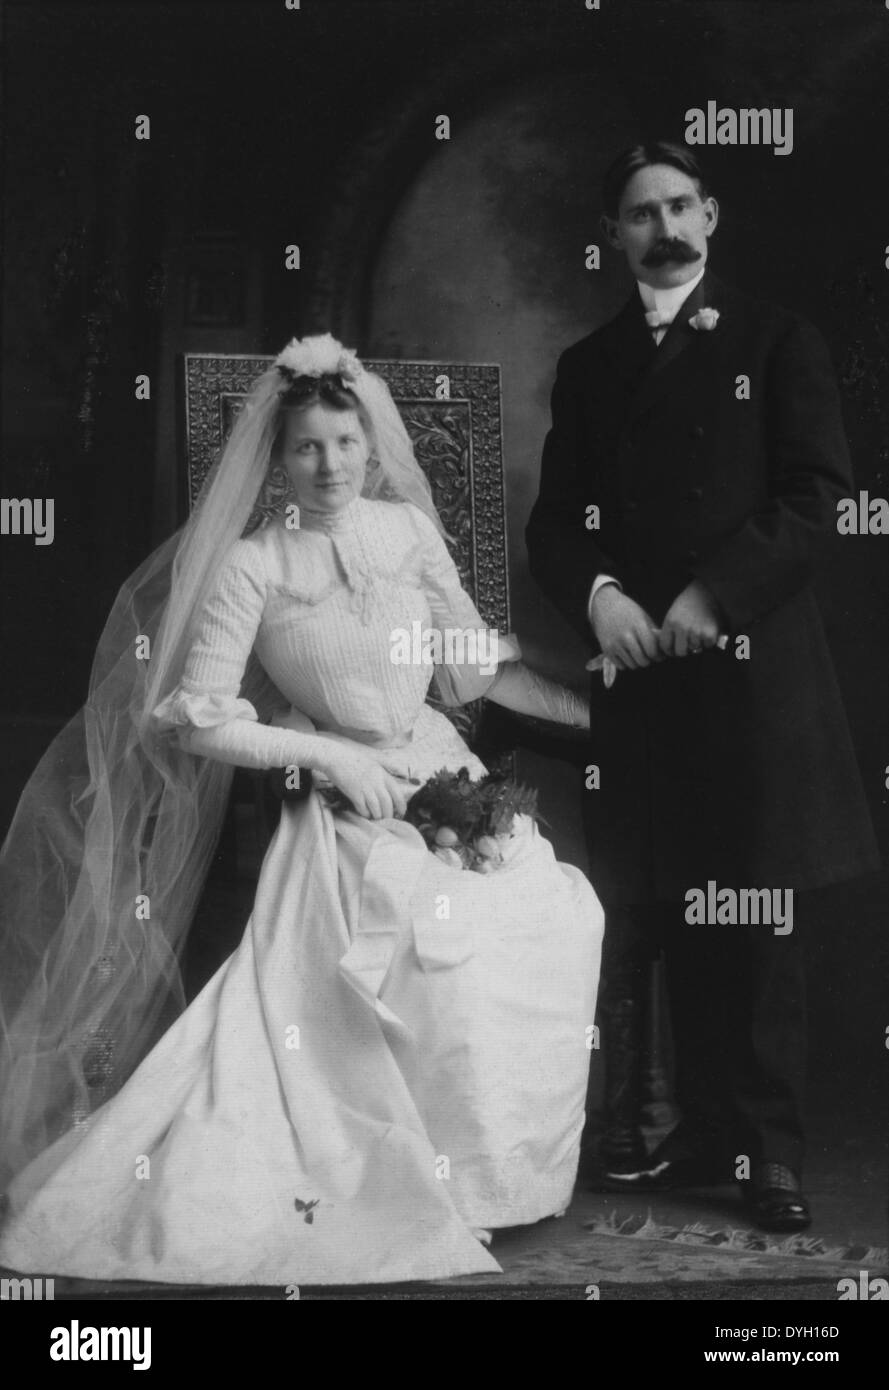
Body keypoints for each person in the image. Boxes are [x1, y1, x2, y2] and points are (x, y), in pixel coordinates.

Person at [0, 334, 603, 1285]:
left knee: (549, 910)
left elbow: (469, 667)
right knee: (413, 932)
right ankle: (408, 1185)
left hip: (439, 766)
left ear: (372, 445)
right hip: (334, 793)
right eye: (308, 448)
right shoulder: (253, 565)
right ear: (277, 458)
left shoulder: (406, 535)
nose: (330, 466)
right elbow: (196, 717)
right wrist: (322, 755)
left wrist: (589, 693)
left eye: (346, 443)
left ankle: (491, 1182)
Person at [526, 141, 880, 1232]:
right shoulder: (588, 366)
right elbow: (556, 520)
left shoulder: (778, 341)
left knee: (758, 912)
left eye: (680, 205)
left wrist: (710, 599)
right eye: (640, 212)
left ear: (711, 216)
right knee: (672, 907)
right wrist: (601, 600)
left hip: (752, 672)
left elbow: (817, 496)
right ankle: (698, 1134)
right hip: (643, 680)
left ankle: (771, 1154)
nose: (664, 226)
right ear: (613, 235)